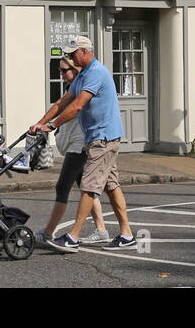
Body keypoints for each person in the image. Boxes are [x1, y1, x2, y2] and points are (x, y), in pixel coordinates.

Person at [29, 35, 136, 252]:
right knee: (110, 186)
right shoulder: (83, 75)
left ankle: (73, 237)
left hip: (103, 138)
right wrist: (40, 123)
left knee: (89, 187)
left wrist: (52, 126)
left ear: (85, 52)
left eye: (73, 53)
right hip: (96, 137)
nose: (70, 57)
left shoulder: (96, 73)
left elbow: (78, 106)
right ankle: (127, 235)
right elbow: (63, 102)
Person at [34, 54, 109, 247]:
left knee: (63, 186)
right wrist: (40, 123)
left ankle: (48, 232)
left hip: (82, 142)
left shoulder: (83, 88)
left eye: (63, 70)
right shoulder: (73, 88)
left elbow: (69, 108)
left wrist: (49, 126)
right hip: (79, 141)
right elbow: (58, 105)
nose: (60, 74)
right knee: (87, 187)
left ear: (75, 70)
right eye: (58, 70)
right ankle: (101, 229)